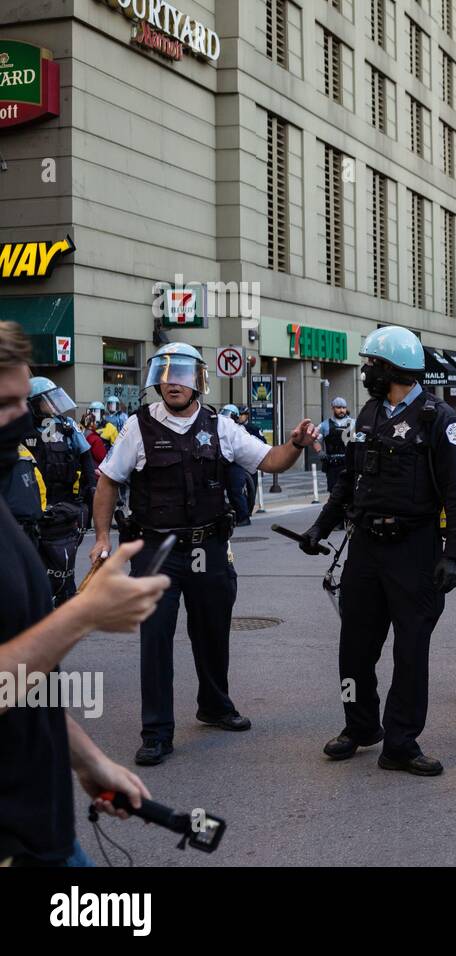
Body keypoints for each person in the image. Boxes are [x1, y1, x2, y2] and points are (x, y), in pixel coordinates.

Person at [93, 342, 318, 767]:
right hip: (155, 549)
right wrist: (103, 539)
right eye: (165, 372)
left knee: (213, 629)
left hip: (209, 546)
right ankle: (156, 731)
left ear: (197, 381)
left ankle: (214, 706)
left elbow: (270, 460)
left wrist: (296, 444)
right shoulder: (137, 427)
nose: (172, 381)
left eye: (181, 373)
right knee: (156, 636)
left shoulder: (221, 427)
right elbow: (107, 482)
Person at [0, 326, 172, 867]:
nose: (23, 419)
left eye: (24, 400)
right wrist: (85, 613)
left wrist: (88, 760)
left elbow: (25, 682)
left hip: (47, 828)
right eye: (6, 405)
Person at [300, 326, 456, 775]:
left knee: (410, 651)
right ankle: (359, 727)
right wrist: (320, 528)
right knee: (354, 648)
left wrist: (453, 554)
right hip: (366, 549)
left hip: (415, 549)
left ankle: (401, 741)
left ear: (392, 368)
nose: (364, 372)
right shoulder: (368, 413)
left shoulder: (439, 419)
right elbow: (347, 481)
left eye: (371, 364)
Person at [26, 377, 97, 607]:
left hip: (66, 505)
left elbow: (85, 456)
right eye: (46, 402)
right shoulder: (20, 430)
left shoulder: (67, 426)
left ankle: (66, 595)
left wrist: (91, 492)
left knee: (64, 559)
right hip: (34, 506)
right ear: (32, 404)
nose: (52, 406)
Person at [314, 397, 355, 494]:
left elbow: (361, 440)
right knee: (334, 492)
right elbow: (314, 439)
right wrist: (320, 451)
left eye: (344, 408)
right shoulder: (324, 425)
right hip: (332, 465)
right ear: (333, 408)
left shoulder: (353, 423)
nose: (342, 410)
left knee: (349, 491)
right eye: (338, 407)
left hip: (349, 463)